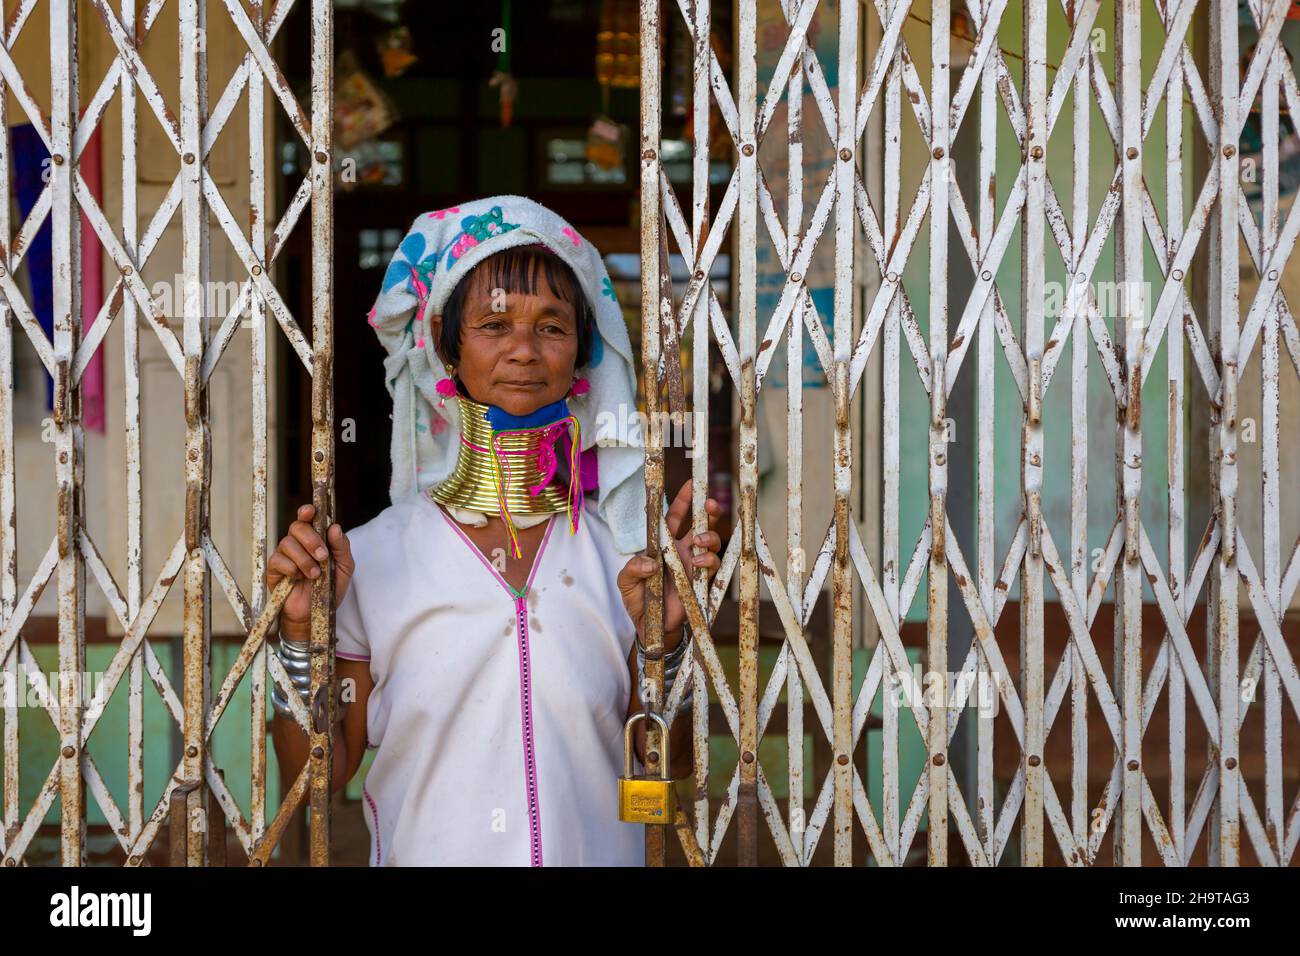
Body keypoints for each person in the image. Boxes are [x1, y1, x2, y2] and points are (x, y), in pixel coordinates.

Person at [268, 197, 721, 866]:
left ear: (582, 356)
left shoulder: (626, 561)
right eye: (493, 323)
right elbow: (318, 778)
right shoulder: (372, 561)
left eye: (551, 327)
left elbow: (664, 766)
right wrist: (301, 638)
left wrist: (668, 642)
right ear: (446, 351)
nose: (523, 350)